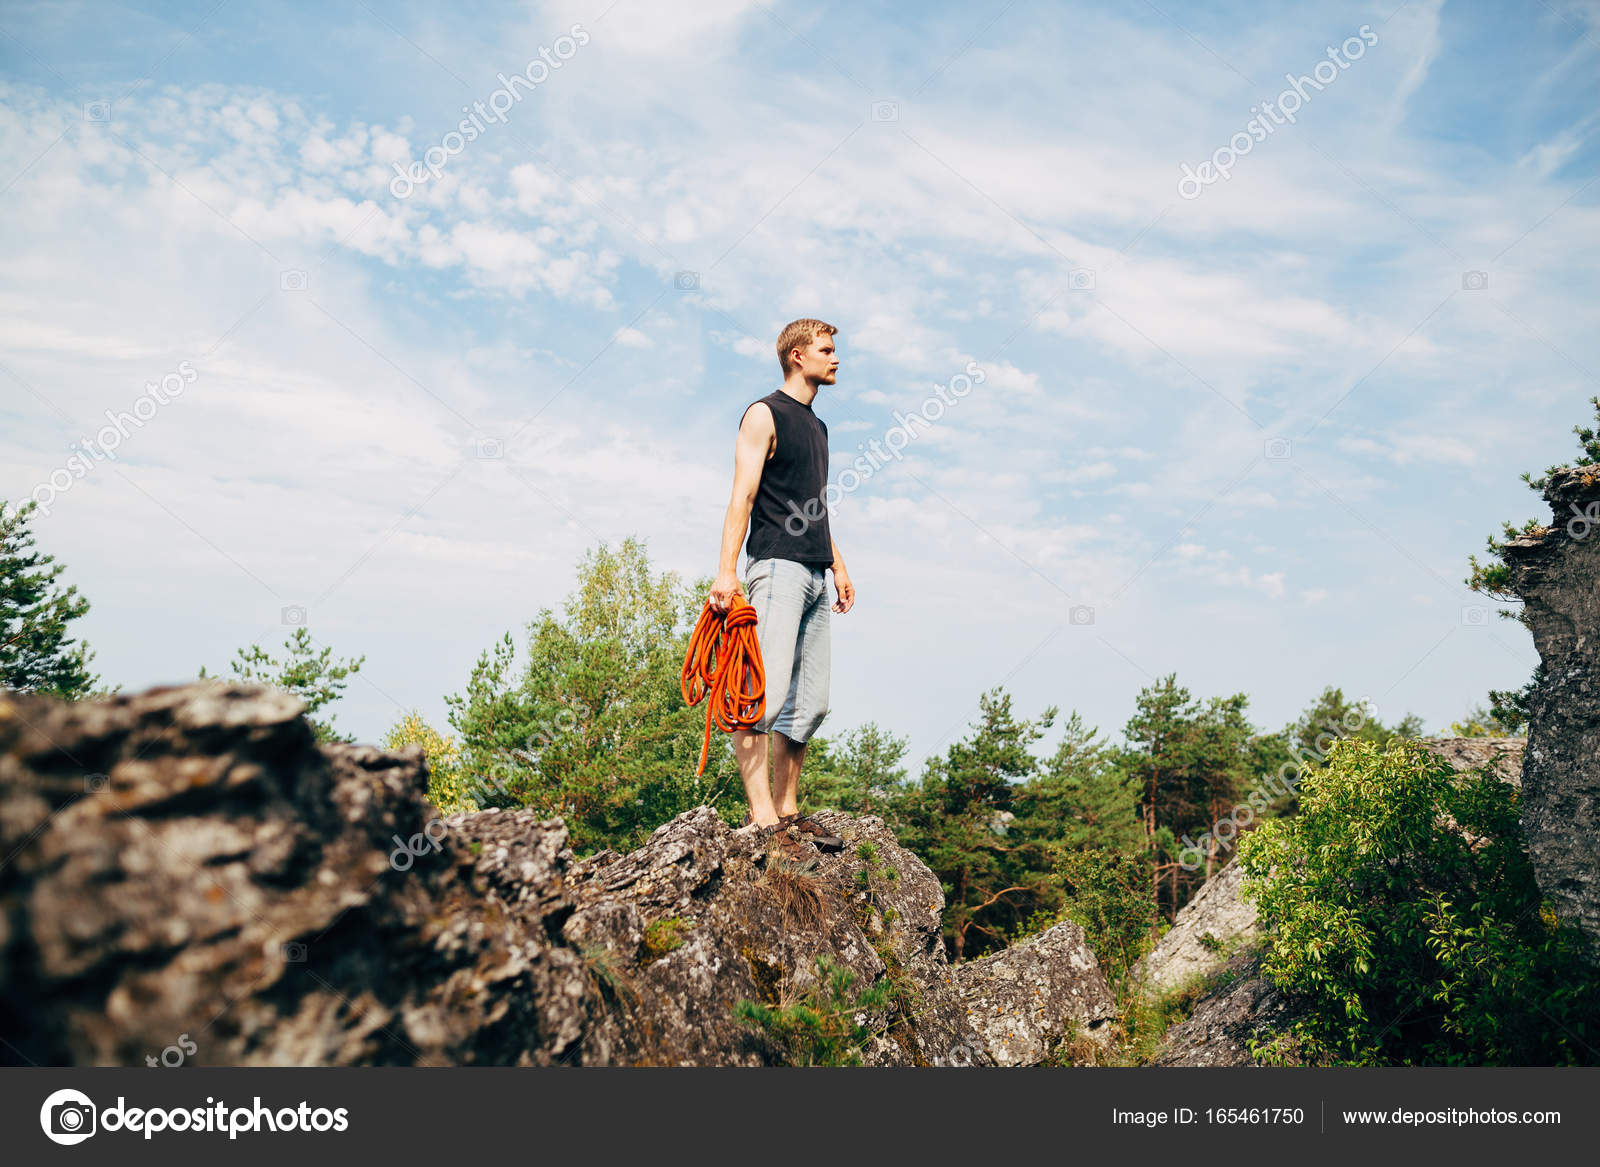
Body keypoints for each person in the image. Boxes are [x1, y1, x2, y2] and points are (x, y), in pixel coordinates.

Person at [708, 318, 855, 867]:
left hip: (815, 571)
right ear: (797, 356)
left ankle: (789, 810)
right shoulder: (762, 414)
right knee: (758, 697)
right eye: (827, 349)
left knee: (811, 703)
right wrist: (727, 571)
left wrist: (838, 564)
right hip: (776, 566)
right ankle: (762, 816)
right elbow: (742, 496)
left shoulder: (817, 429)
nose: (836, 358)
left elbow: (814, 502)